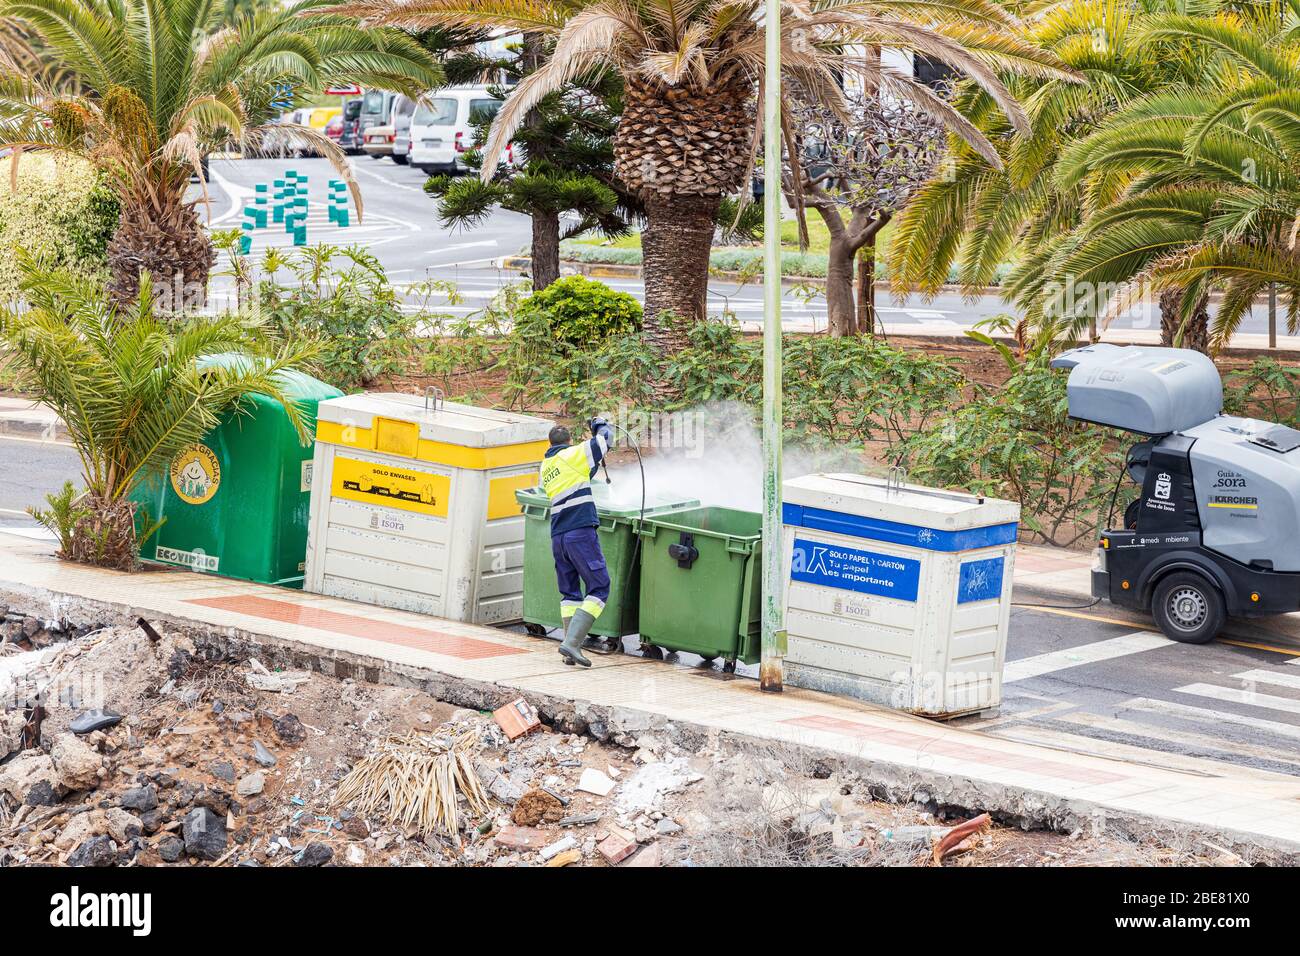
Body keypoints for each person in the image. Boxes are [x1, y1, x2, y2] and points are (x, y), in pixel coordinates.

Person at [539, 417, 614, 667]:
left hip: (558, 536)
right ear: (569, 442)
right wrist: (599, 424)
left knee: (570, 592)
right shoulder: (575, 454)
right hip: (579, 532)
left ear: (550, 443)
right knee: (600, 586)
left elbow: (583, 471)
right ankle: (572, 643)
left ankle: (571, 647)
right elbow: (606, 440)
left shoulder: (546, 467)